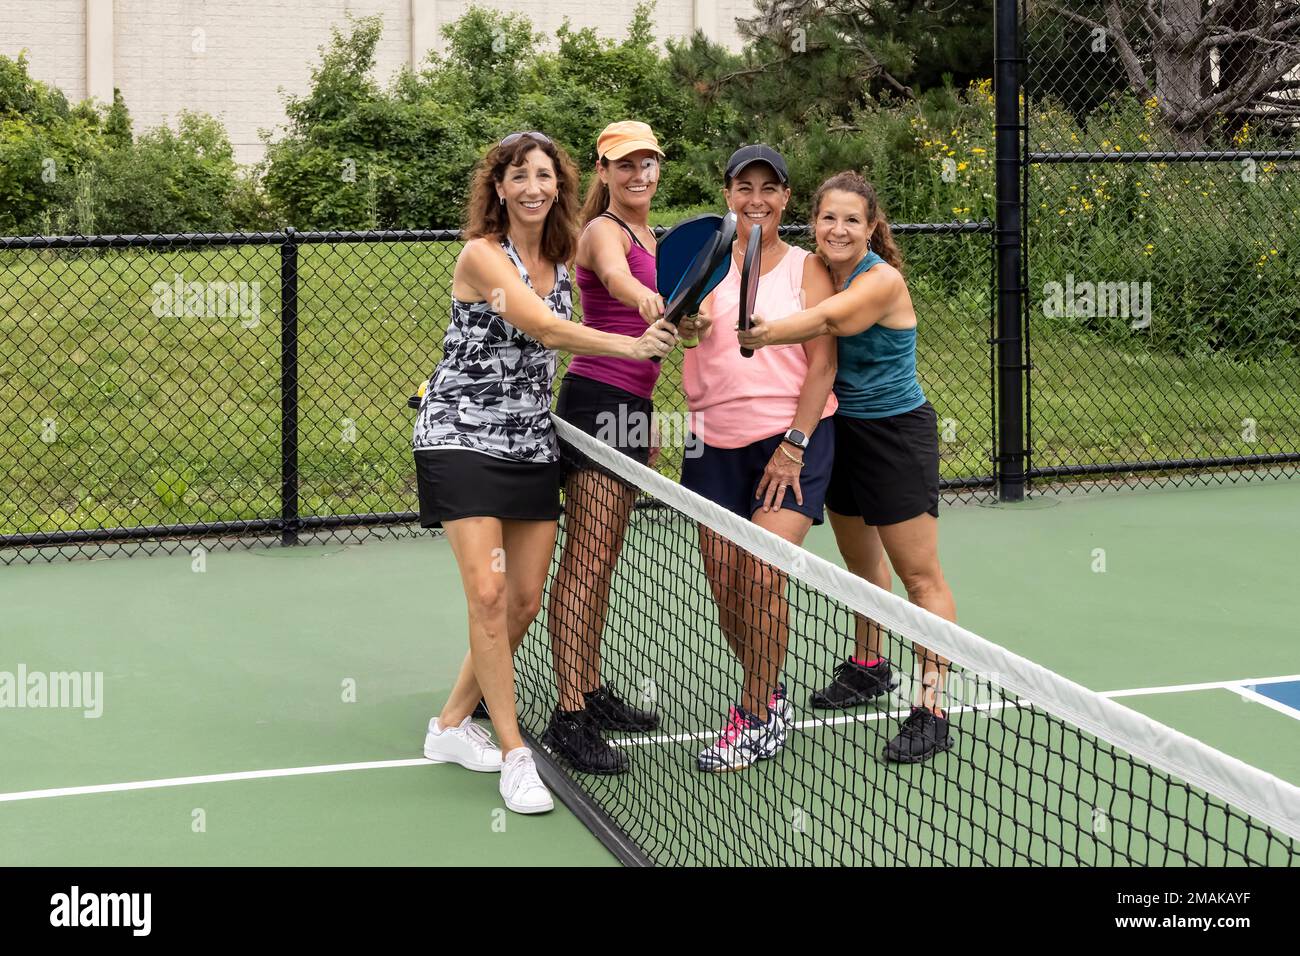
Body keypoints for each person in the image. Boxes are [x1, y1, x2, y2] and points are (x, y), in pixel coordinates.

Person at [413, 131, 678, 814]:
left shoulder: (561, 258)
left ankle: (448, 726)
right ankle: (514, 752)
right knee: (491, 594)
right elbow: (546, 329)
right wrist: (629, 341)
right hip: (461, 437)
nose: (533, 187)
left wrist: (670, 323)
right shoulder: (481, 256)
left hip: (531, 440)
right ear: (497, 189)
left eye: (544, 176)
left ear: (558, 186)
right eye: (518, 177)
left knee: (525, 600)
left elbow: (610, 308)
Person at [738, 170, 957, 764]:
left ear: (871, 228)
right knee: (861, 563)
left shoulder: (881, 280)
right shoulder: (812, 269)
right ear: (815, 221)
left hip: (893, 435)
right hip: (839, 432)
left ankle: (932, 706)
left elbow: (832, 323)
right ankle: (869, 666)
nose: (838, 229)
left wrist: (760, 334)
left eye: (852, 220)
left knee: (920, 576)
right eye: (828, 218)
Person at [679, 144, 839, 772]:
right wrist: (684, 328)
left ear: (786, 199)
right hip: (711, 442)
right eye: (744, 187)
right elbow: (677, 330)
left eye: (769, 189)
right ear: (727, 195)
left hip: (792, 440)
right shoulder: (706, 260)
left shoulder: (808, 270)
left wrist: (794, 447)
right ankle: (768, 691)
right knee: (726, 584)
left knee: (764, 574)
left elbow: (823, 364)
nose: (756, 200)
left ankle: (754, 714)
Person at [544, 121, 670, 774]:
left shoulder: (659, 236)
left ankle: (590, 689)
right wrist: (648, 298)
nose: (638, 175)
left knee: (607, 555)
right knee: (586, 562)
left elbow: (670, 317)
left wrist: (687, 318)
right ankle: (568, 716)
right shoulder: (603, 233)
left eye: (647, 163)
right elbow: (620, 285)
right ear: (603, 171)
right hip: (596, 403)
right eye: (625, 165)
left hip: (634, 408)